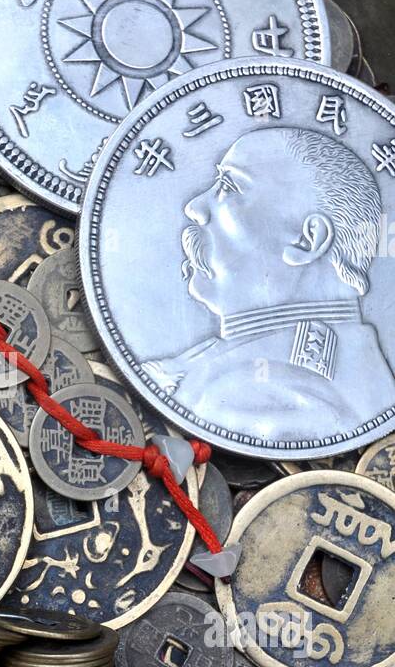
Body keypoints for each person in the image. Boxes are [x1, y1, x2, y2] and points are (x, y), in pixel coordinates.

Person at [144, 126, 395, 435]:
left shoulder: (258, 394)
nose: (194, 207)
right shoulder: (350, 368)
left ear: (308, 241)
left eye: (229, 187)